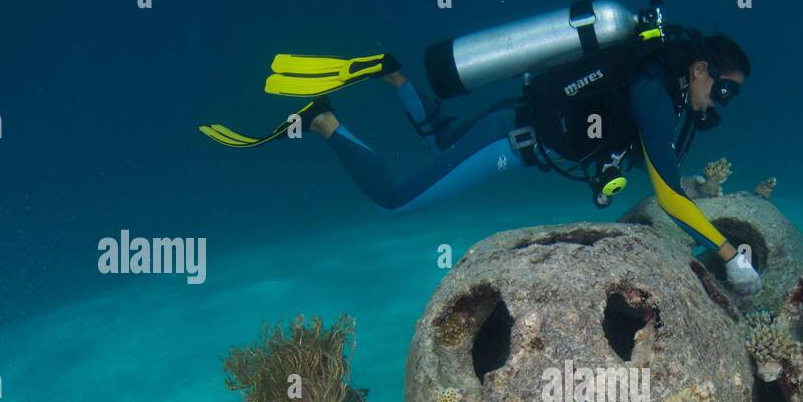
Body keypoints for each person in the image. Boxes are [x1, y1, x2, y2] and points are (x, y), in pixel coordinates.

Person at [201, 24, 759, 294]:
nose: (721, 105)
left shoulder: (649, 74)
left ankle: (391, 71)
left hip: (509, 120)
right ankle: (323, 118)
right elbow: (667, 195)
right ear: (700, 69)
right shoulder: (658, 94)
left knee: (440, 139)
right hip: (509, 143)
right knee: (394, 203)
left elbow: (640, 157)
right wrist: (729, 251)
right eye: (725, 91)